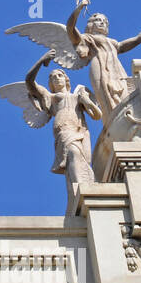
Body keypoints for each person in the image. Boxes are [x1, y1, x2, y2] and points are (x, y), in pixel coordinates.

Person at [65, 0, 141, 119]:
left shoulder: (113, 43)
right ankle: (113, 120)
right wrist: (79, 9)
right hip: (99, 67)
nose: (102, 22)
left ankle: (128, 118)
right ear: (90, 24)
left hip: (117, 69)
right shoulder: (86, 38)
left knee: (124, 93)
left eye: (105, 21)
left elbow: (138, 39)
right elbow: (70, 28)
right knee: (106, 95)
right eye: (98, 20)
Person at [25, 53, 103, 190]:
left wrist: (86, 100)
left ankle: (80, 191)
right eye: (52, 77)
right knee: (73, 153)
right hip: (64, 129)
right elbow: (29, 81)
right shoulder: (51, 97)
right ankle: (81, 189)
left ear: (66, 79)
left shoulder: (78, 95)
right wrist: (41, 60)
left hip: (81, 130)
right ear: (50, 83)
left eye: (59, 75)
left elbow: (97, 116)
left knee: (83, 162)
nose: (56, 78)